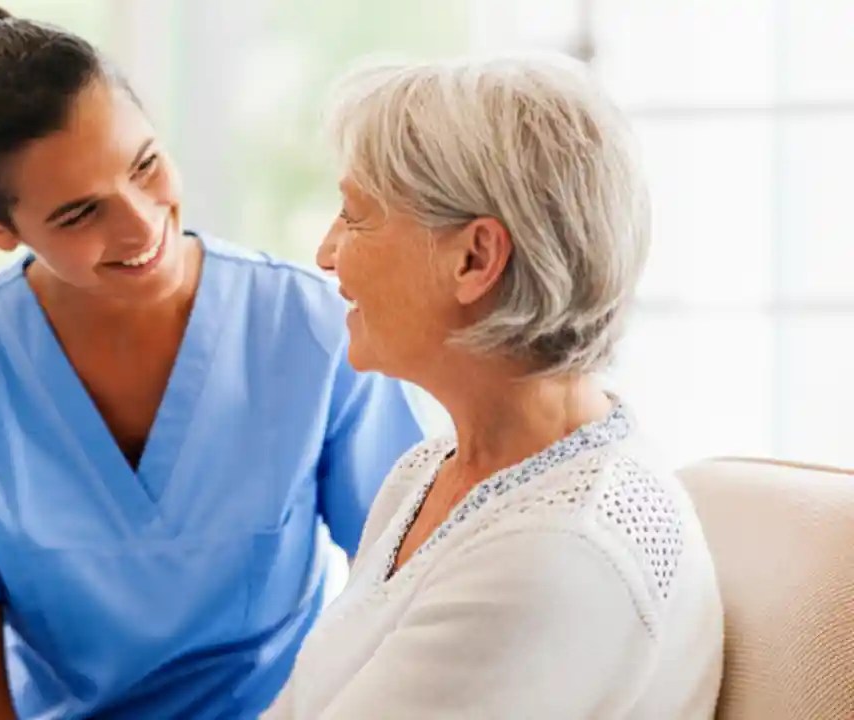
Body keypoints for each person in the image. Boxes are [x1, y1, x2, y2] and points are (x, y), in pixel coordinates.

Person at [0, 3, 423, 718]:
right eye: (78, 213)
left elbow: (405, 593)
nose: (141, 224)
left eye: (145, 164)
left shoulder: (308, 329)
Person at [264, 56, 724, 718]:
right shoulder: (432, 470)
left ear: (475, 258)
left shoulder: (560, 553)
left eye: (355, 215)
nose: (327, 252)